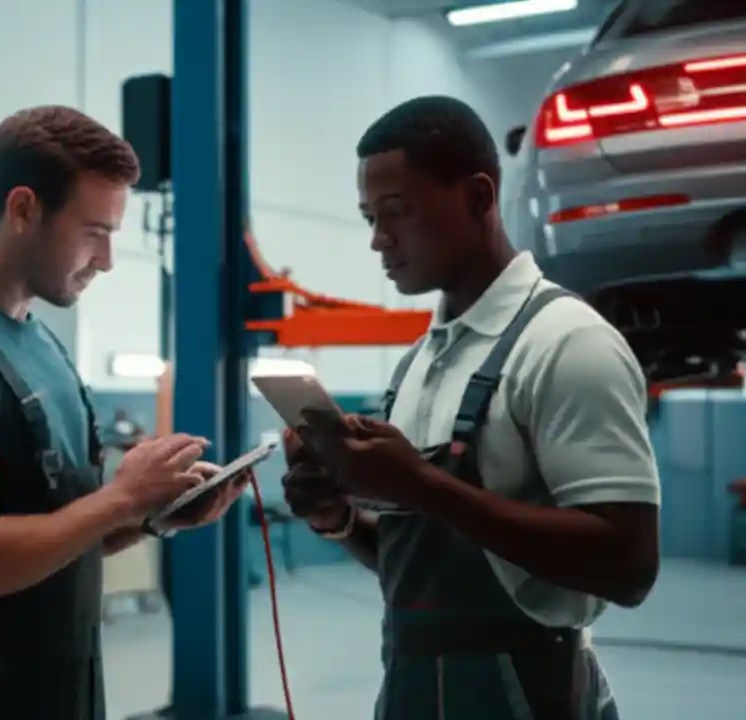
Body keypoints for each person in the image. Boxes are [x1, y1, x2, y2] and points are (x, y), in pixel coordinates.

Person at [281, 96, 661, 719]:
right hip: (412, 684)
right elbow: (423, 557)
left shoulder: (568, 342)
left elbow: (628, 565)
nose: (378, 239)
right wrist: (340, 518)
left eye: (396, 213)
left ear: (480, 198)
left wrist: (423, 485)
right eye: (368, 217)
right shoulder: (421, 363)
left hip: (528, 695)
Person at [0, 106, 248, 720]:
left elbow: (58, 531)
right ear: (22, 209)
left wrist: (155, 517)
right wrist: (123, 499)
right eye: (94, 231)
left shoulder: (41, 342)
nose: (106, 260)